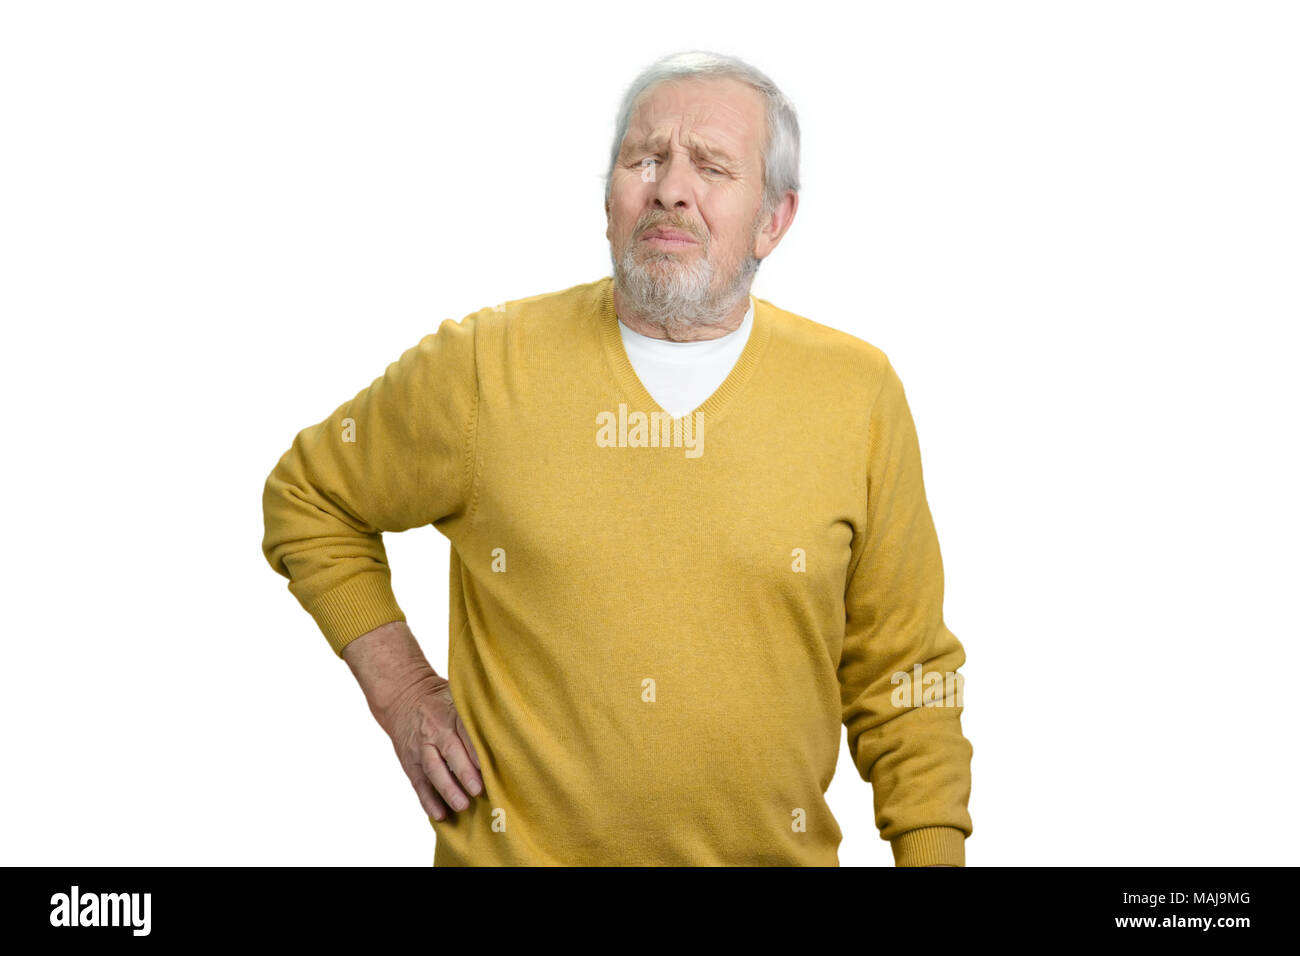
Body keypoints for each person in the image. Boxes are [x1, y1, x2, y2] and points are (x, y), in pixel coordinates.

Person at [261, 50, 973, 866]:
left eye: (711, 166)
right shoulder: (484, 369)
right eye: (645, 159)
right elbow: (308, 499)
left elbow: (905, 673)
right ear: (609, 198)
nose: (671, 187)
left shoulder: (858, 394)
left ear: (775, 219)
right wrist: (404, 693)